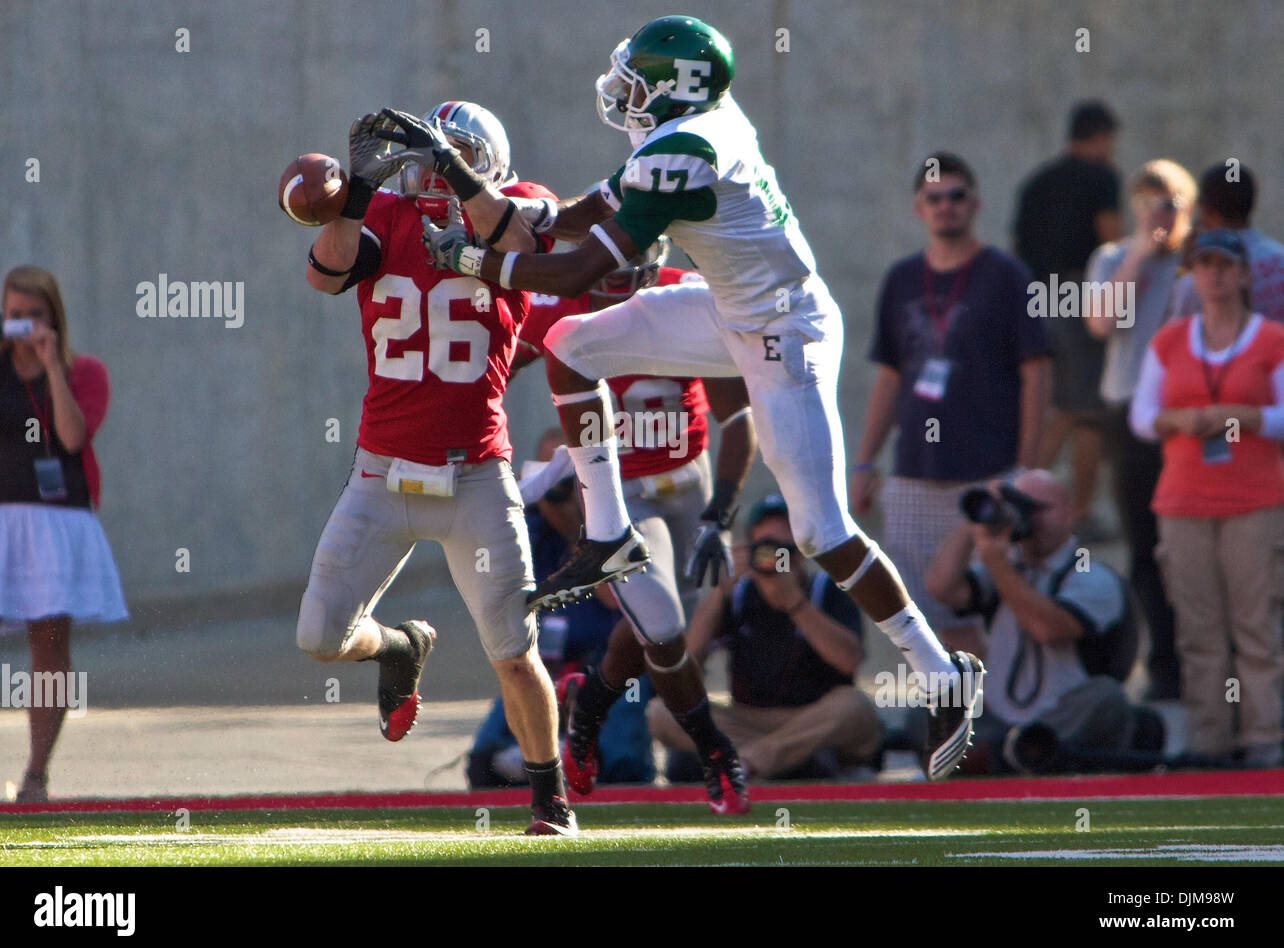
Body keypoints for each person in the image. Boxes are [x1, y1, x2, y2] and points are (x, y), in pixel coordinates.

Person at [401, 14, 985, 781]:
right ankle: (609, 532)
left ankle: (941, 671)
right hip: (732, 309)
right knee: (573, 347)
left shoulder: (687, 148)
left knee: (820, 527)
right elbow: (582, 215)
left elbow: (575, 272)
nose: (623, 90)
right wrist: (494, 203)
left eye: (638, 79)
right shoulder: (683, 133)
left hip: (784, 331)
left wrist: (477, 259)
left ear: (677, 89)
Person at [293, 101, 580, 835]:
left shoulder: (519, 206)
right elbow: (325, 276)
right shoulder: (386, 214)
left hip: (476, 475)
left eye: (448, 155)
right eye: (426, 154)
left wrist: (453, 169)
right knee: (320, 636)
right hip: (382, 471)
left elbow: (522, 238)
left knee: (513, 652)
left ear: (484, 160)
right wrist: (356, 193)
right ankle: (399, 646)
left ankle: (551, 802)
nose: (430, 170)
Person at [513, 245, 758, 812]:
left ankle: (587, 707)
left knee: (655, 622)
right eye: (603, 272)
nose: (612, 288)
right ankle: (715, 753)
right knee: (664, 627)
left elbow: (738, 420)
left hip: (687, 486)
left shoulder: (688, 296)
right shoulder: (564, 306)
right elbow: (494, 362)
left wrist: (719, 516)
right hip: (619, 494)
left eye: (627, 272)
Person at [855, 152, 1051, 657]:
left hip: (987, 476)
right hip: (914, 477)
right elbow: (889, 377)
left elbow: (1037, 373)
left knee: (992, 606)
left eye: (956, 196)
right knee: (920, 618)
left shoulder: (1007, 275)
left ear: (976, 204)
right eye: (934, 198)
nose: (946, 206)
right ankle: (951, 719)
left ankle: (996, 719)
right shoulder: (900, 279)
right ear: (919, 208)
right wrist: (863, 462)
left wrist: (1024, 469)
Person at [1130, 229, 1284, 768]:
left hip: (1255, 500)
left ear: (1243, 274)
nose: (1215, 274)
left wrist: (1243, 417)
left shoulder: (1271, 339)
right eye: (1204, 265)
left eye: (1225, 265)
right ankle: (1208, 740)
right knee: (1199, 630)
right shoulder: (1170, 340)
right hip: (1183, 501)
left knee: (1256, 626)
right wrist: (1179, 419)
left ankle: (1264, 736)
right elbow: (1141, 417)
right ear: (1192, 274)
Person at [0, 265, 128, 802]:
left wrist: (50, 364)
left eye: (34, 316)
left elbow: (71, 437)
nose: (24, 326)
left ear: (54, 318)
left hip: (57, 521)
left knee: (48, 645)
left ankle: (36, 775)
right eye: (14, 316)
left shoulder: (84, 371)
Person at [925, 470, 1158, 774]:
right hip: (999, 718)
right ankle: (1014, 752)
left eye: (1040, 509)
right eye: (1020, 507)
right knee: (935, 704)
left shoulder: (1091, 574)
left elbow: (1047, 629)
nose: (1028, 519)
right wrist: (977, 520)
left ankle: (1014, 753)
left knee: (1107, 699)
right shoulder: (1004, 569)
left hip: (1066, 716)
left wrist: (999, 567)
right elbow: (940, 588)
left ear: (1070, 513)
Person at [469, 430, 653, 788]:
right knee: (484, 763)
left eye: (567, 478)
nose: (559, 489)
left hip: (607, 666)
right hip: (546, 665)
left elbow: (618, 600)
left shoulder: (622, 524)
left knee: (621, 765)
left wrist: (583, 532)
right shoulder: (533, 532)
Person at [652, 495, 882, 780]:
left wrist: (796, 605)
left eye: (784, 551)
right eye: (764, 549)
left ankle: (742, 761)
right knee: (662, 711)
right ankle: (785, 761)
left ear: (801, 553)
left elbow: (849, 662)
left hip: (812, 717)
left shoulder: (825, 589)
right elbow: (686, 664)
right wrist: (718, 592)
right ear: (748, 551)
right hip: (748, 719)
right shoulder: (737, 598)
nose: (774, 559)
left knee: (854, 707)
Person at [1083, 159, 1197, 701]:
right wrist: (1138, 256)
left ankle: (1202, 665)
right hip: (1129, 412)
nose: (1160, 214)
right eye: (1150, 201)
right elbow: (1102, 322)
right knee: (1144, 543)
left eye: (1170, 202)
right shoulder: (1112, 259)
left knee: (1188, 545)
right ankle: (1163, 665)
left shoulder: (1197, 263)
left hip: (1187, 416)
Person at [1013, 101, 1123, 538]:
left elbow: (1018, 244)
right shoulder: (1102, 177)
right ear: (1101, 137)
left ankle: (1019, 495)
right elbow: (1112, 242)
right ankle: (1079, 514)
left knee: (1060, 409)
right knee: (1090, 411)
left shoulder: (1036, 182)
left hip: (1038, 293)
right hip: (1080, 294)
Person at [1167, 164, 1284, 323]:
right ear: (1253, 205)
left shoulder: (1196, 283)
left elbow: (1179, 341)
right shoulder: (1280, 258)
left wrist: (1185, 270)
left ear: (1205, 209)